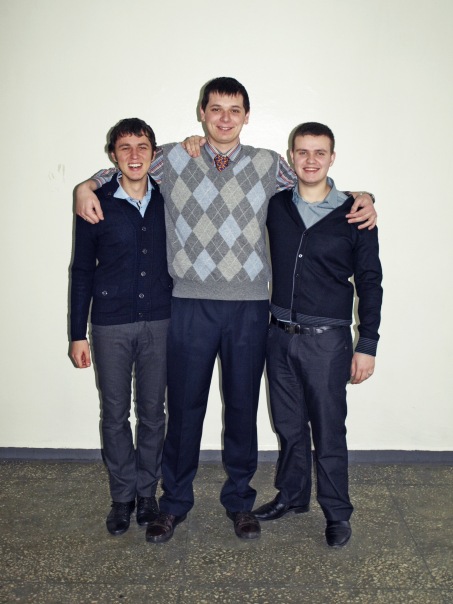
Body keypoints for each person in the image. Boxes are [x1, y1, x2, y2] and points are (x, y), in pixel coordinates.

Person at [75, 78, 377, 543]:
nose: (224, 118)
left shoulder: (268, 164)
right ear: (202, 112)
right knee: (184, 410)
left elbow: (314, 186)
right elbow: (127, 166)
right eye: (215, 108)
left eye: (234, 110)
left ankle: (239, 501)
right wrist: (86, 185)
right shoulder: (174, 158)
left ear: (246, 116)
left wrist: (363, 197)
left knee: (241, 410)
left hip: (249, 309)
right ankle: (174, 503)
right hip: (189, 305)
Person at [252, 122, 383, 548]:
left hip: (327, 342)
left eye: (319, 152)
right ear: (291, 156)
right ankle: (292, 497)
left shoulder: (354, 214)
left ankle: (337, 512)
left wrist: (367, 344)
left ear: (332, 158)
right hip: (278, 337)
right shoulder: (275, 204)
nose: (311, 160)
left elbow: (370, 282)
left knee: (328, 430)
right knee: (289, 426)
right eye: (303, 152)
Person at [70, 118, 172, 536]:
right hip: (110, 324)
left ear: (153, 154)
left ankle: (147, 493)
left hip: (160, 322)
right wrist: (77, 333)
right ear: (113, 155)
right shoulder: (95, 203)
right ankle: (122, 497)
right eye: (125, 147)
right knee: (114, 415)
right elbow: (82, 270)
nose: (134, 155)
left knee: (153, 414)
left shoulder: (169, 197)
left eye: (142, 146)